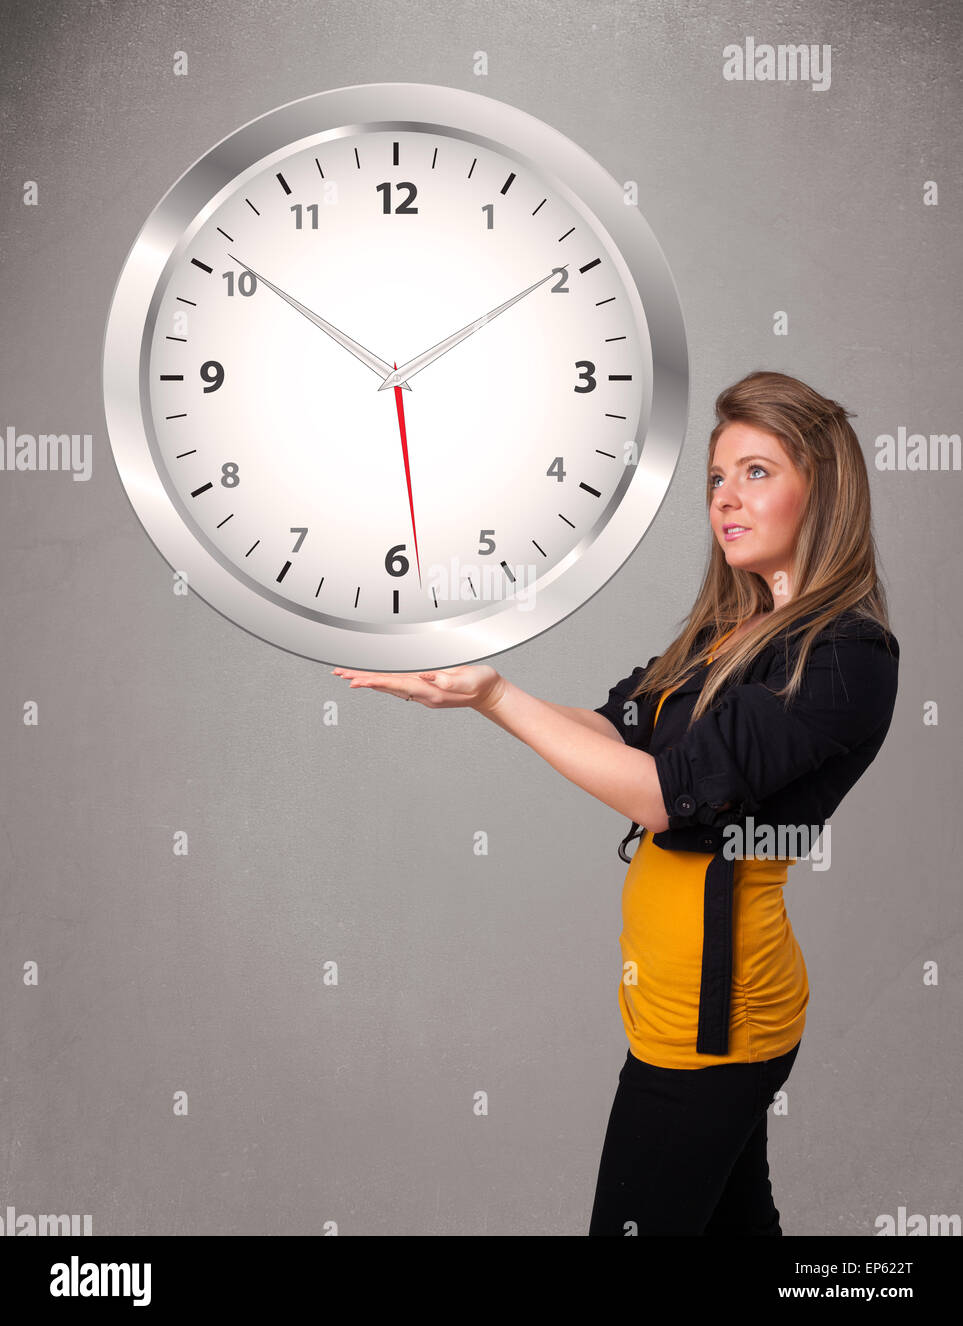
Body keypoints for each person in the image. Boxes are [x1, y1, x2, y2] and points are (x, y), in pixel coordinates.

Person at [331, 370, 900, 1236]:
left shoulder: (845, 658)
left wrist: (496, 699)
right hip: (670, 1005)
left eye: (756, 472)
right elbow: (612, 729)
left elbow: (665, 796)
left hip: (718, 1021)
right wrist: (469, 689)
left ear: (821, 488)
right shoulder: (724, 631)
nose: (725, 499)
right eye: (716, 478)